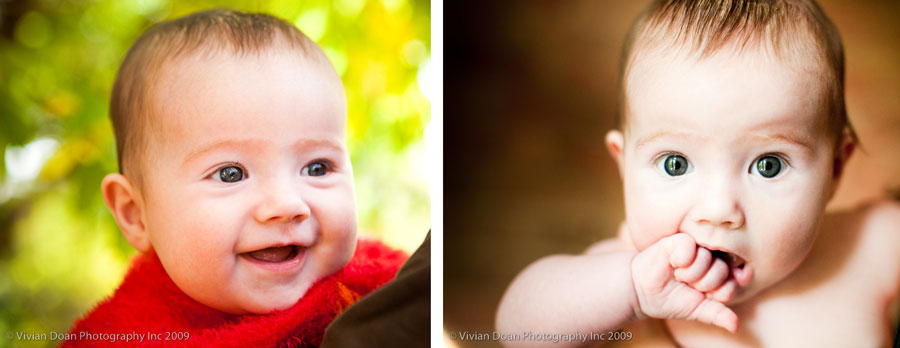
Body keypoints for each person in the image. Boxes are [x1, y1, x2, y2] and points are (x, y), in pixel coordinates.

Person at [496, 0, 900, 346]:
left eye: (768, 165)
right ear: (623, 165)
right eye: (676, 163)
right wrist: (632, 291)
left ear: (835, 170)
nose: (719, 209)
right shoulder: (627, 277)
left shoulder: (867, 246)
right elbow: (514, 330)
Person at [62, 9, 407, 347]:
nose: (287, 204)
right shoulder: (120, 335)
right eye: (231, 174)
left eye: (316, 168)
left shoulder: (390, 288)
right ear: (135, 214)